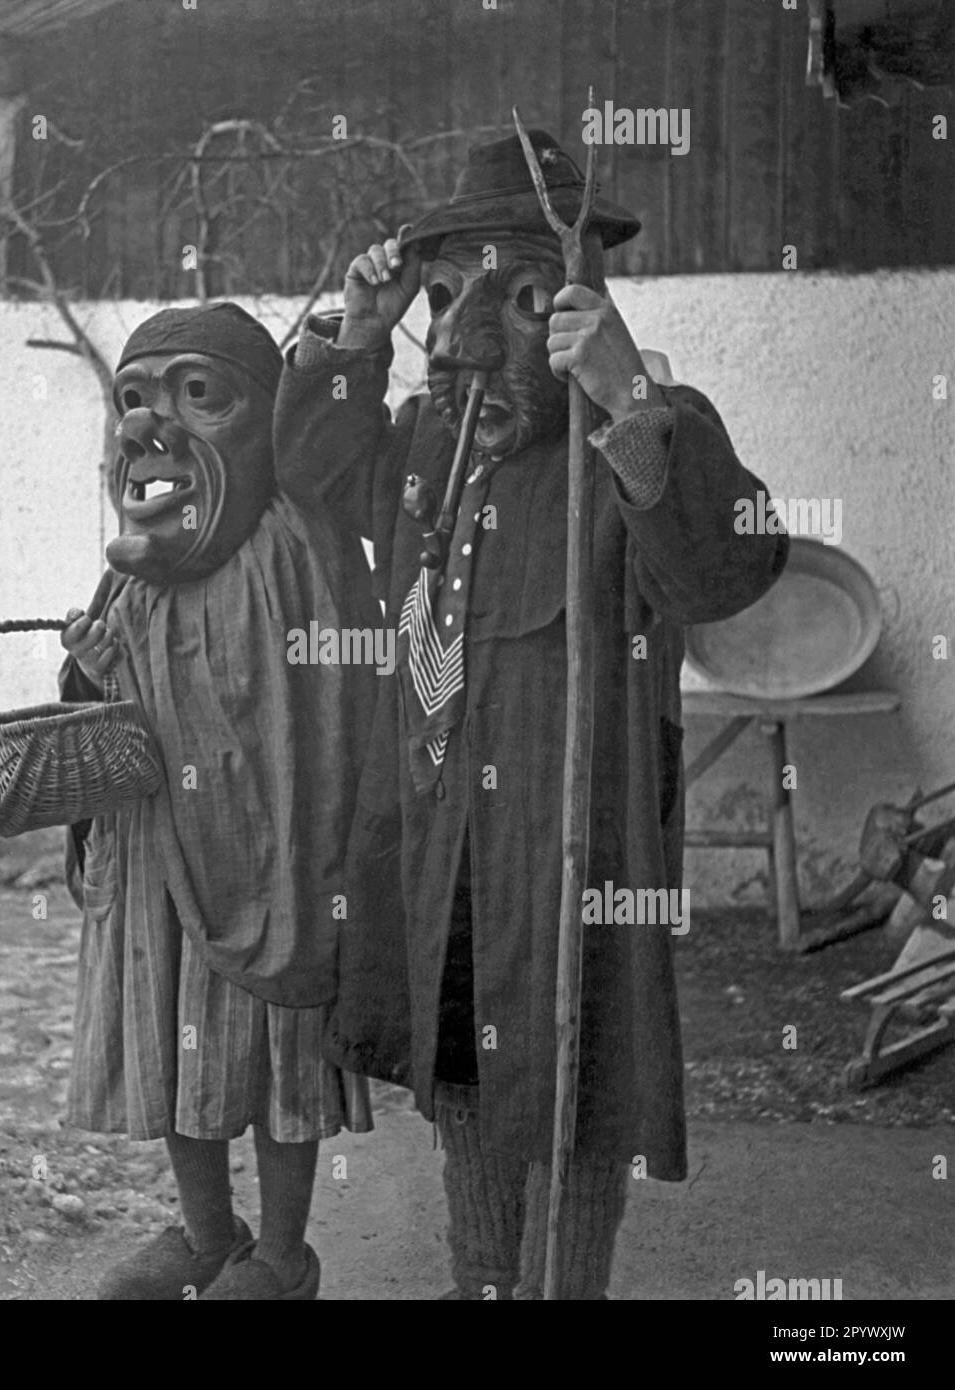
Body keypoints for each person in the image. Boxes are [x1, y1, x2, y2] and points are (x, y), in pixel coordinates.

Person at [273, 129, 790, 1299]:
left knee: (569, 1084)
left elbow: (728, 569)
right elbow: (312, 471)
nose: (461, 336)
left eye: (510, 293)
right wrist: (359, 336)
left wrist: (627, 395)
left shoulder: (641, 431)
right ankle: (482, 1285)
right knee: (459, 1068)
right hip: (439, 831)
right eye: (445, 297)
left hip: (572, 858)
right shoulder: (428, 446)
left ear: (578, 292)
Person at [59, 302, 378, 1300]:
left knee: (279, 1047)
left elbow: (328, 711)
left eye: (198, 396)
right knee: (165, 1036)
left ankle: (282, 1253)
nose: (149, 429)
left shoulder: (289, 545)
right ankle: (206, 1231)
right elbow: (110, 709)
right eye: (134, 401)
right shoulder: (135, 567)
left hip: (270, 852)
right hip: (157, 855)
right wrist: (89, 668)